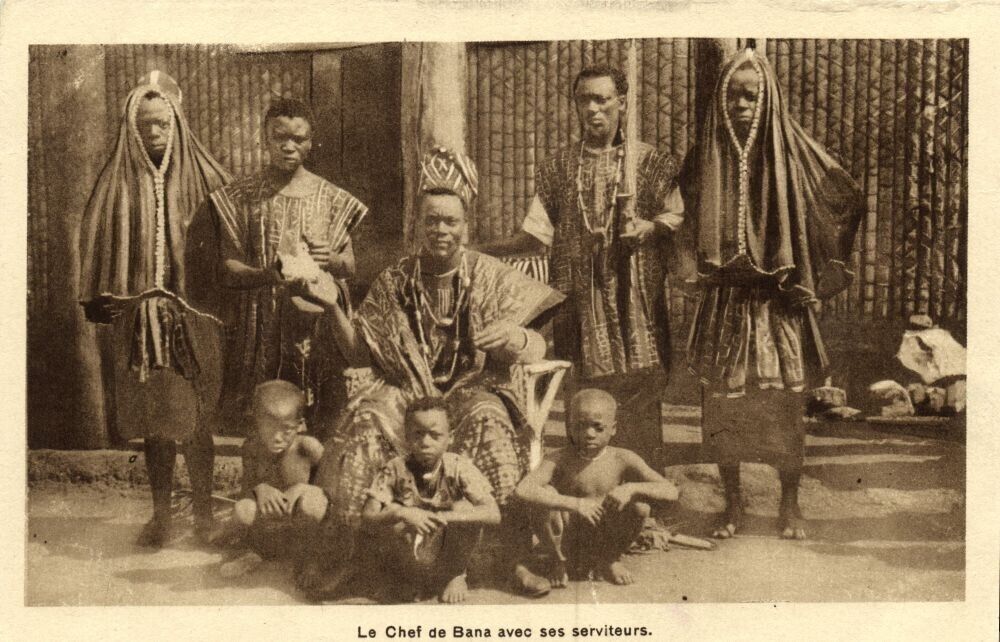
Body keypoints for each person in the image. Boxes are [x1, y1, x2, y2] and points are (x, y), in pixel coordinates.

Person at [294, 146, 564, 599]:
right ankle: (350, 559)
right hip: (407, 389)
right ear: (417, 224)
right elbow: (361, 352)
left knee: (489, 420)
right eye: (431, 220)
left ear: (465, 226)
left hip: (470, 387)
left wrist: (515, 340)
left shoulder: (490, 275)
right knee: (366, 421)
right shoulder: (395, 279)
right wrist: (333, 307)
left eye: (450, 221)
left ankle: (507, 561)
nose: (440, 229)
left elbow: (537, 342)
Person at [679, 48, 864, 540]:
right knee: (722, 413)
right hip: (725, 302)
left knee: (784, 410)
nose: (740, 106)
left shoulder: (790, 151)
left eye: (751, 96)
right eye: (732, 96)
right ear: (718, 101)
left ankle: (790, 507)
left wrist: (813, 266)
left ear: (767, 102)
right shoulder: (703, 157)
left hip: (777, 302)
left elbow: (841, 194)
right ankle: (733, 508)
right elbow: (681, 217)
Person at [481, 65, 684, 470]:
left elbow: (677, 216)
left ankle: (646, 502)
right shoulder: (558, 170)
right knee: (585, 407)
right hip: (579, 309)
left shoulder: (650, 163)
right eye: (584, 100)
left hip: (638, 309)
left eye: (602, 99)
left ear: (621, 103)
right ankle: (582, 496)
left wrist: (648, 227)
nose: (593, 109)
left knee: (642, 402)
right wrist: (479, 249)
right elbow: (534, 238)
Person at [78, 70, 231, 547]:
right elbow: (97, 245)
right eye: (144, 125)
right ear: (131, 128)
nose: (154, 134)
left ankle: (205, 513)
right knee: (156, 425)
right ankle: (162, 514)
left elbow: (233, 241)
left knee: (198, 422)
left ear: (178, 123)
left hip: (195, 318)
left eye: (162, 124)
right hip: (139, 321)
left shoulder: (209, 179)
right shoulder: (115, 184)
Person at [206, 98, 368, 435]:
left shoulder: (331, 198)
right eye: (279, 137)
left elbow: (349, 266)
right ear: (265, 139)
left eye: (298, 138)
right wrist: (267, 275)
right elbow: (227, 268)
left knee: (318, 419)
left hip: (317, 323)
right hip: (260, 325)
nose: (288, 146)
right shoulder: (241, 197)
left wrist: (331, 260)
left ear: (310, 142)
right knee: (264, 422)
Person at [514, 389, 678, 589]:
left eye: (598, 428)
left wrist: (632, 488)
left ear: (613, 428)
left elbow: (671, 491)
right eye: (581, 426)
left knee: (640, 507)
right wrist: (576, 504)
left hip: (605, 537)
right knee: (544, 496)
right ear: (570, 426)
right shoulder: (559, 458)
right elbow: (524, 489)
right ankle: (558, 561)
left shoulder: (622, 458)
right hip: (568, 537)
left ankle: (610, 560)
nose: (589, 434)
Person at [362, 397, 501, 603]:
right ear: (406, 436)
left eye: (435, 435)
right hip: (409, 547)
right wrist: (401, 512)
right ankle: (409, 578)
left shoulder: (458, 466)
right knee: (392, 509)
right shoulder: (395, 468)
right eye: (417, 434)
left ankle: (455, 574)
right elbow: (368, 515)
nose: (425, 442)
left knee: (464, 506)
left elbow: (493, 513)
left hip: (447, 547)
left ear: (450, 437)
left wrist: (445, 516)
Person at [220, 380, 327, 578]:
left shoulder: (308, 448)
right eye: (269, 428)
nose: (277, 437)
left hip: (304, 527)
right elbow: (245, 492)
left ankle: (313, 561)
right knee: (243, 509)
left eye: (286, 429)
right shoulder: (252, 448)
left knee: (312, 502)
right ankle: (250, 553)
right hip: (271, 527)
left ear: (300, 425)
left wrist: (303, 488)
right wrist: (260, 488)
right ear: (256, 423)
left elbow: (331, 490)